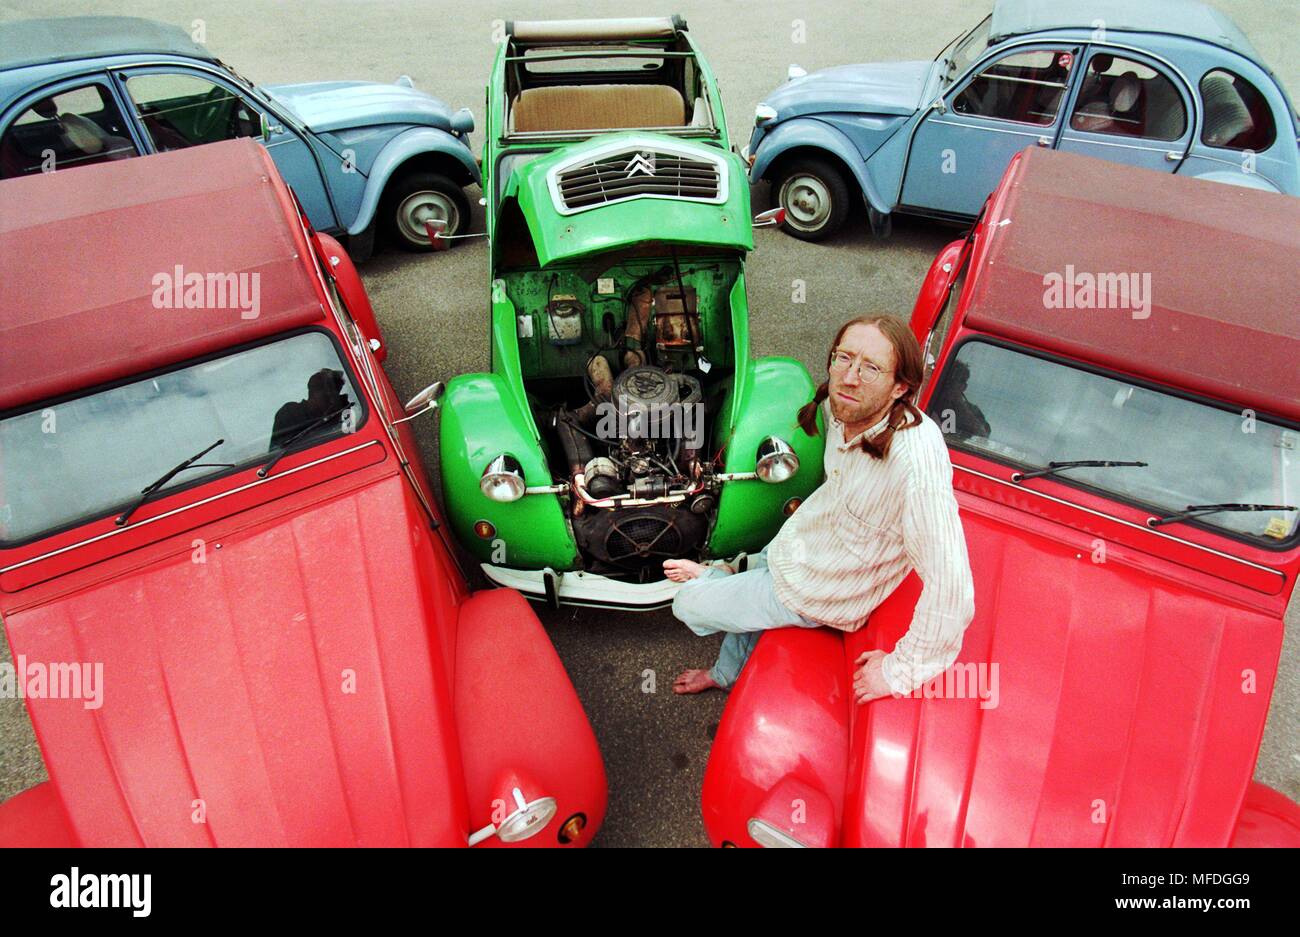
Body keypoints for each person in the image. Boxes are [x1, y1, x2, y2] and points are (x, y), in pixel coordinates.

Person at [665, 315, 976, 703]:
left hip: (817, 591)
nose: (850, 377)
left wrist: (901, 670)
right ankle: (725, 668)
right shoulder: (841, 406)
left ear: (900, 386)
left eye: (872, 368)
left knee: (685, 603)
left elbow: (954, 587)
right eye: (844, 358)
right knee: (744, 604)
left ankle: (715, 579)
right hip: (802, 541)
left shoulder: (915, 463)